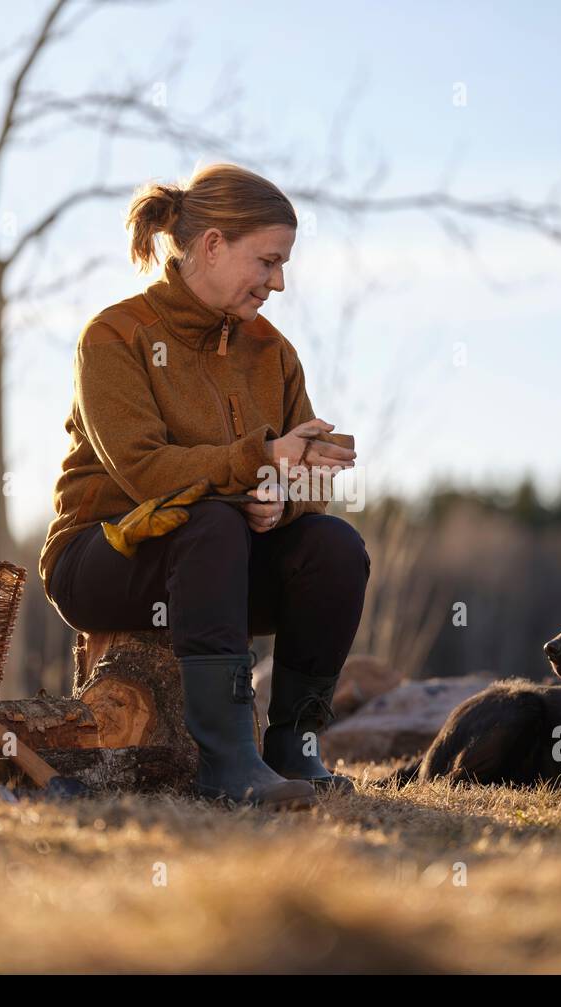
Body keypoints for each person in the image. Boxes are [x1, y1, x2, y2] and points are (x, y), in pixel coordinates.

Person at [38, 162, 370, 809]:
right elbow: (144, 473)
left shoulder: (273, 351)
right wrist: (259, 460)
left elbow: (307, 477)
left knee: (333, 545)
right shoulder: (115, 337)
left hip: (226, 564)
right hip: (104, 555)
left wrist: (282, 499)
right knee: (210, 521)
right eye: (267, 261)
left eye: (283, 265)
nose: (278, 281)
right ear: (213, 244)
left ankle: (294, 743)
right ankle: (228, 759)